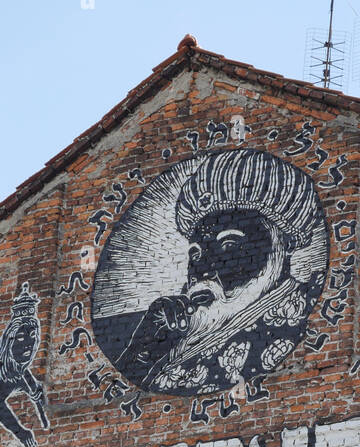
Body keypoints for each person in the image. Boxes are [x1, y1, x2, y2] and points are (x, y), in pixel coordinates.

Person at [114, 148, 326, 393]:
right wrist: (144, 346)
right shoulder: (181, 337)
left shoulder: (306, 315)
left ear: (284, 245)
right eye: (195, 255)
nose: (204, 270)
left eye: (229, 246)